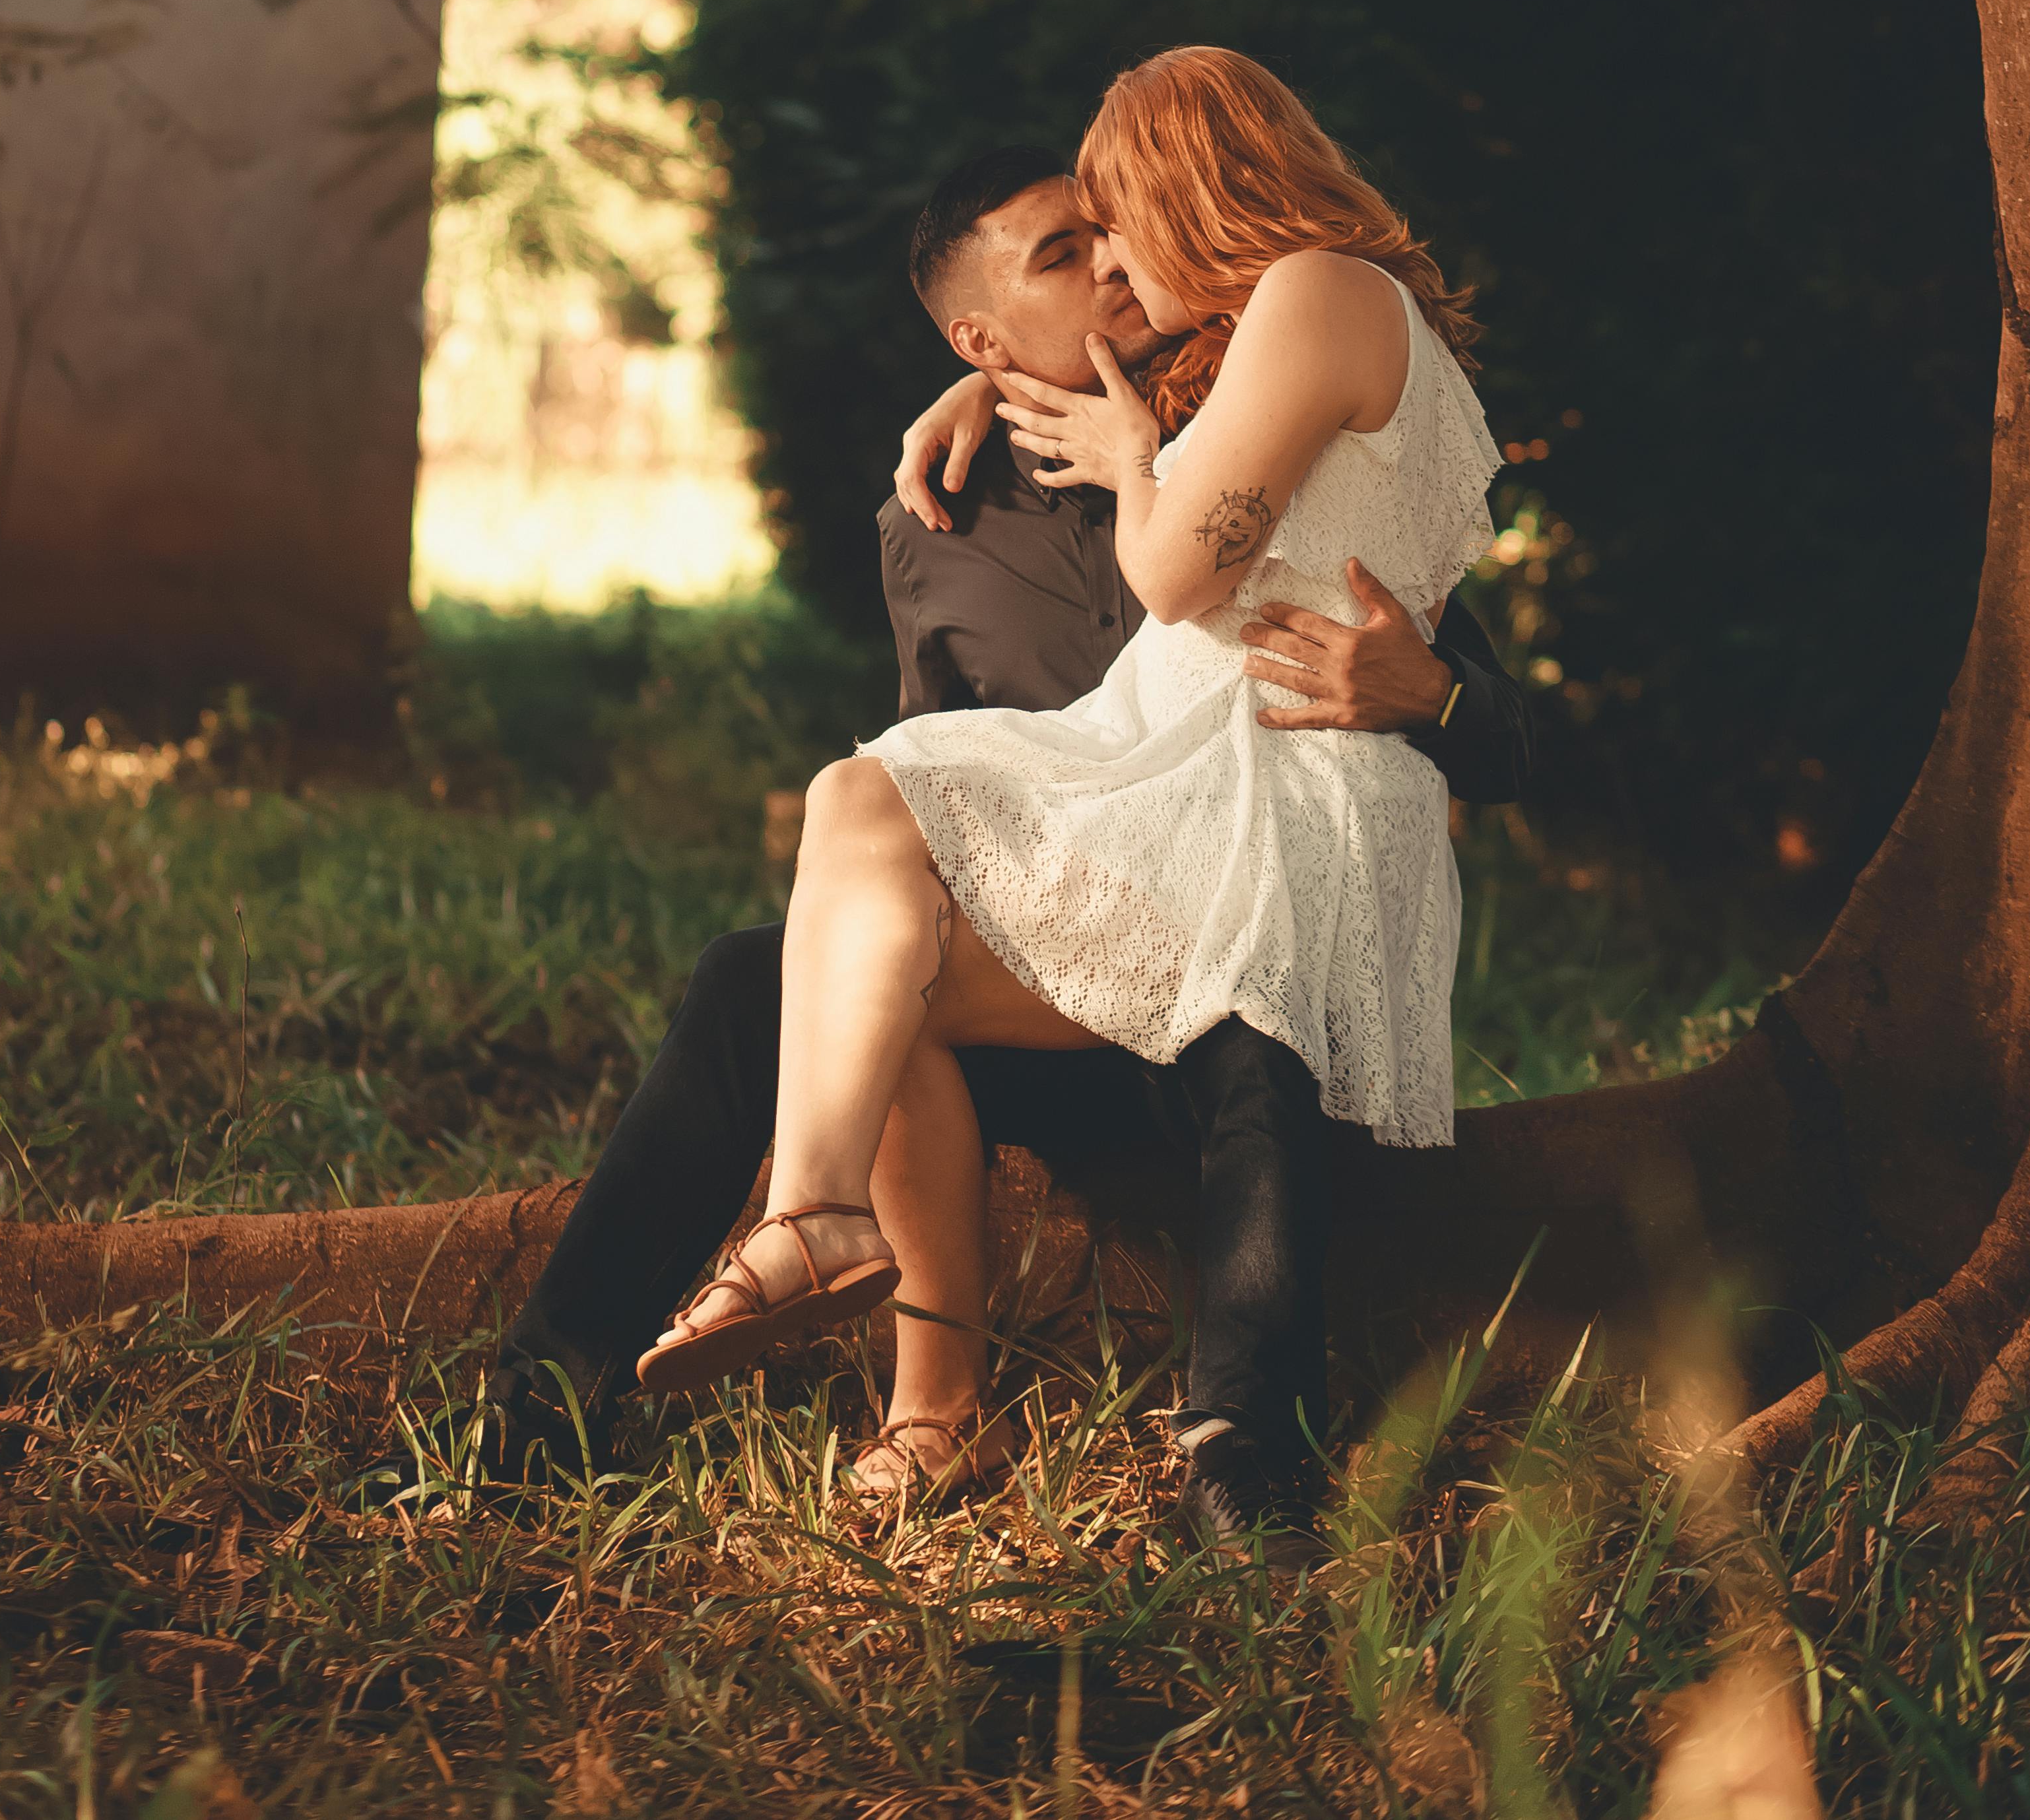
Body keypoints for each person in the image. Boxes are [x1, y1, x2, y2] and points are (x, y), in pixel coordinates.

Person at [485, 131, 1532, 1544]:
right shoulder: (941, 516)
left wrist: (1437, 695)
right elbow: (937, 802)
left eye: (1111, 233)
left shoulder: (1263, 417)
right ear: (978, 337)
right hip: (1064, 997)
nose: (1113, 262)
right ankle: (546, 1412)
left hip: (1254, 980)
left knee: (1253, 972)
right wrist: (1002, 395)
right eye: (1062, 254)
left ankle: (1247, 1463)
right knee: (767, 972)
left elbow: (1516, 737)